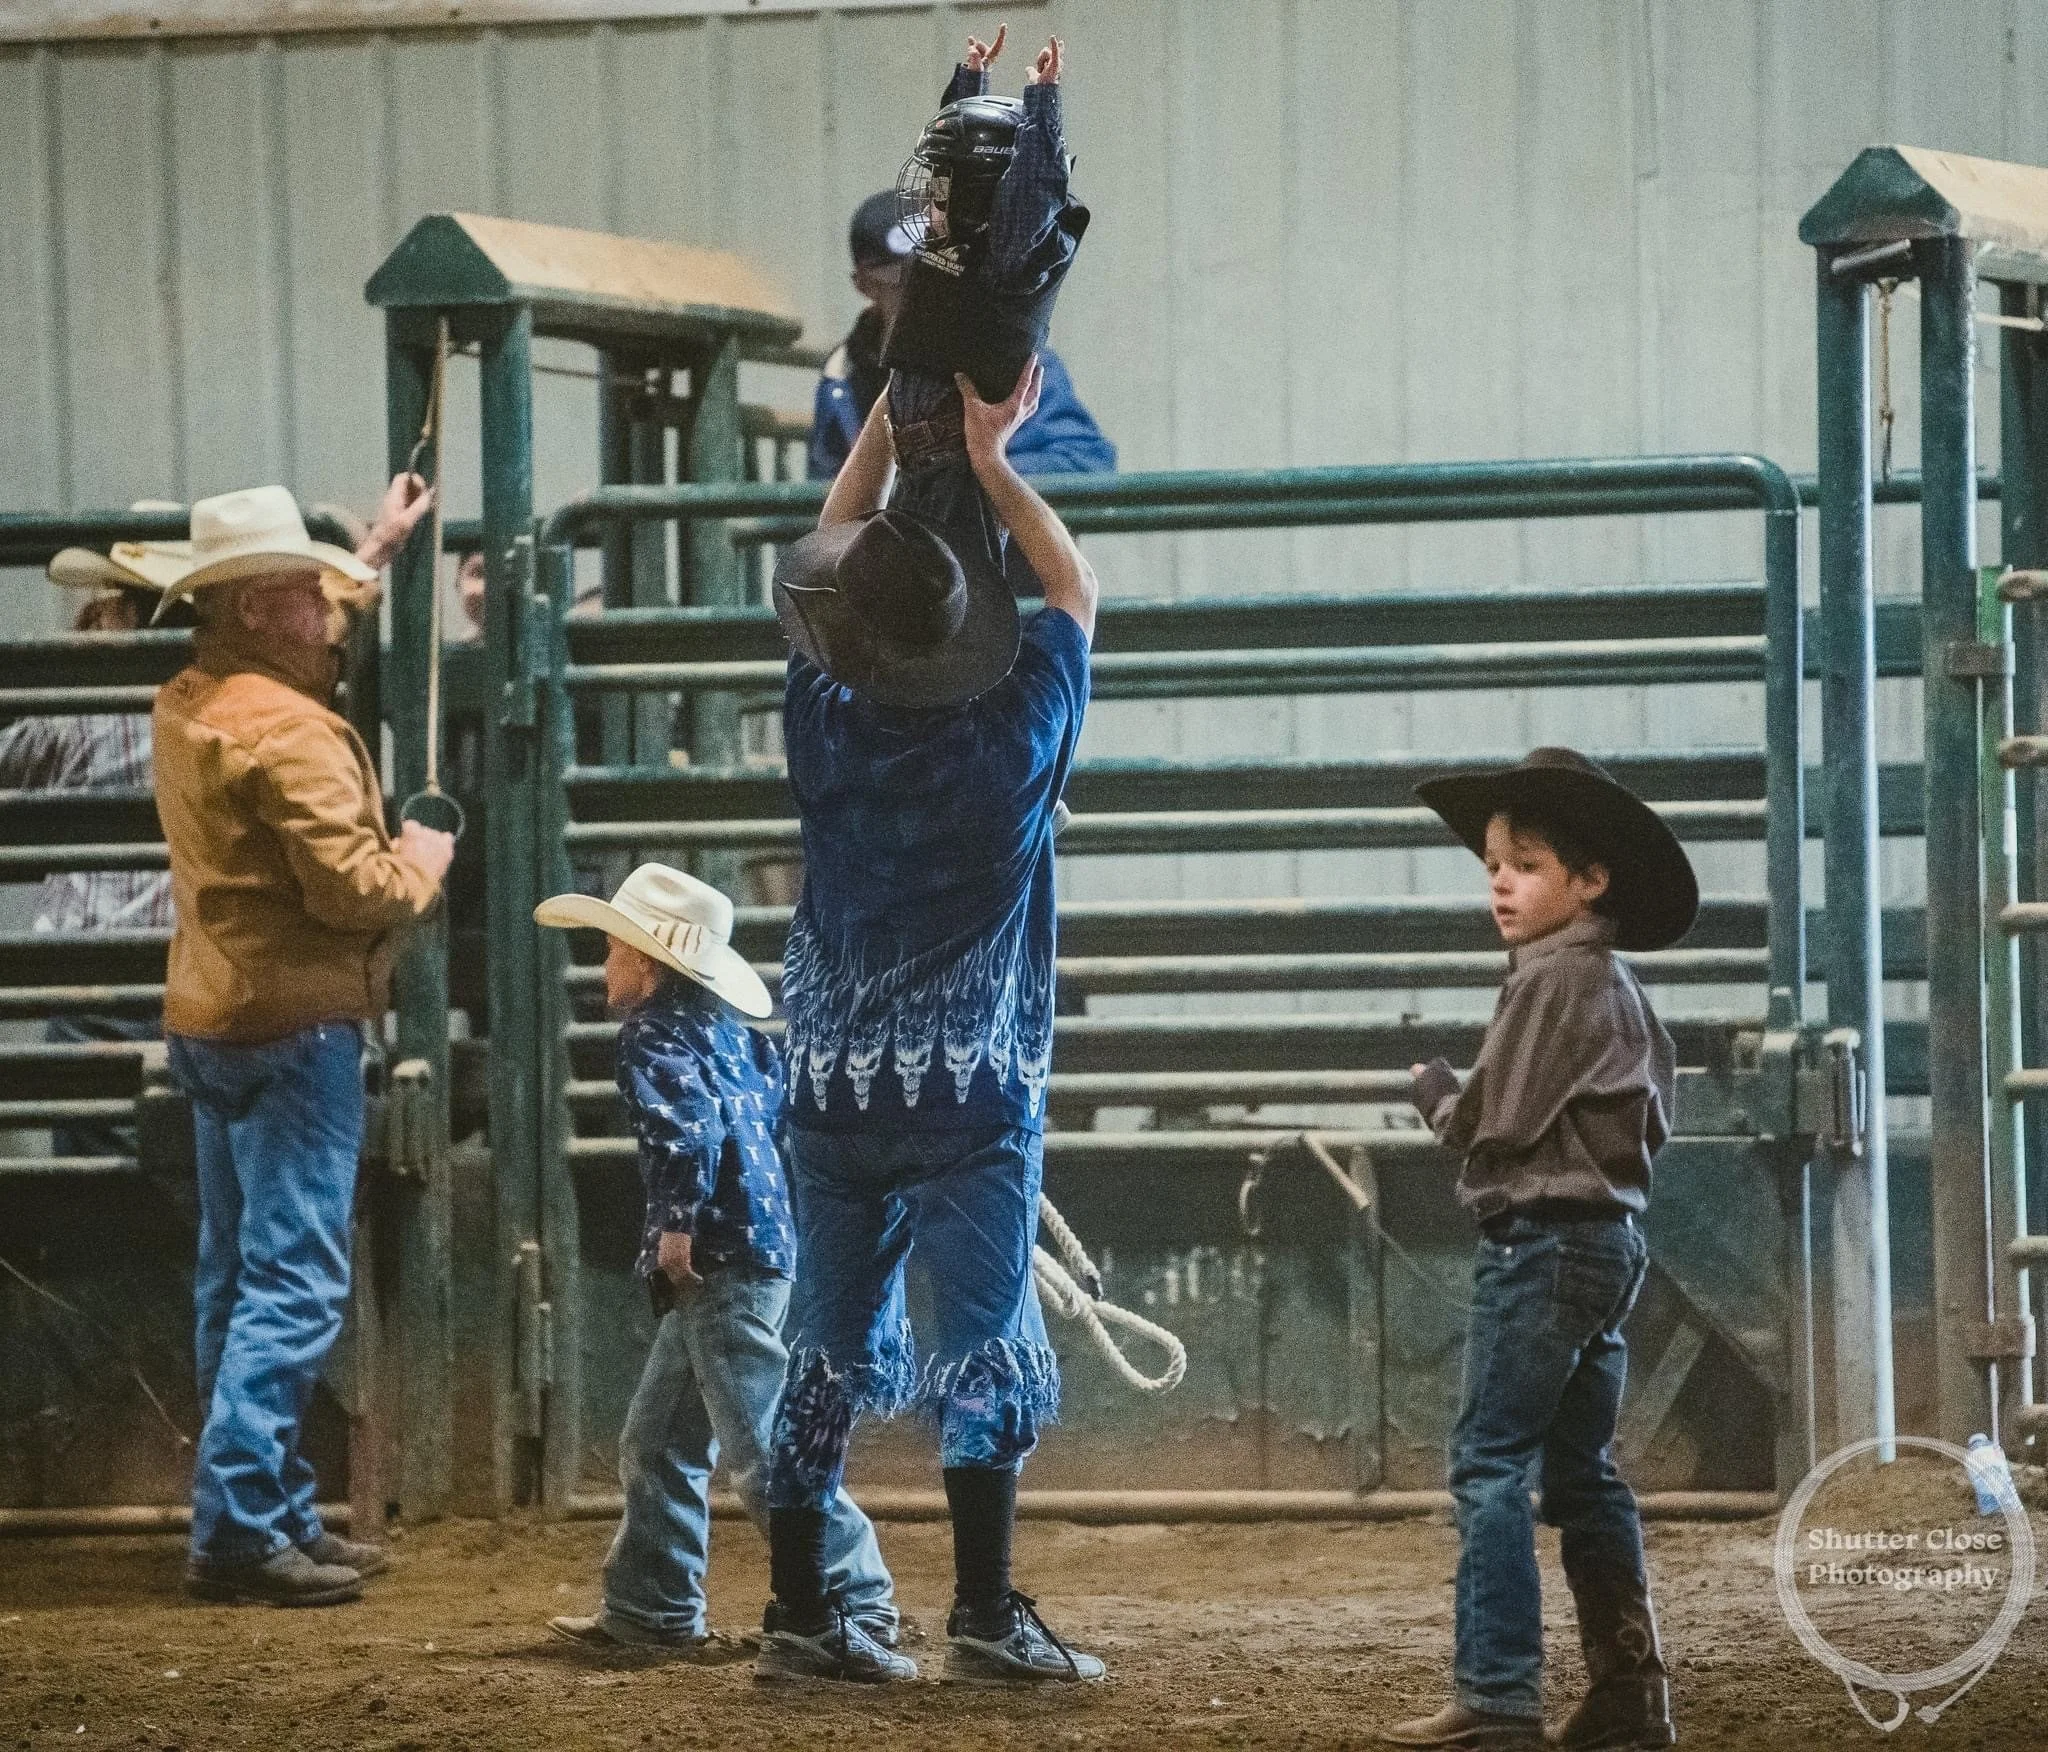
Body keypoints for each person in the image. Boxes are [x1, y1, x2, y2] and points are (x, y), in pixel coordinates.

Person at [755, 356, 1100, 1688]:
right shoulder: (1010, 744)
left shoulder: (820, 719)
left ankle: (799, 1610)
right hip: (967, 1091)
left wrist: (886, 448)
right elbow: (1073, 592)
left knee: (822, 1341)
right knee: (982, 1344)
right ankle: (985, 1613)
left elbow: (824, 559)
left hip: (829, 1085)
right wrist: (993, 457)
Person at [150, 482, 455, 1608]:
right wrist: (422, 860)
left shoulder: (191, 698)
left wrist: (372, 554)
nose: (324, 602)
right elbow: (351, 890)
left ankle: (265, 1504)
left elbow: (310, 623)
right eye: (300, 588)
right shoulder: (292, 735)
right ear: (249, 606)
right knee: (292, 1284)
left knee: (234, 1277)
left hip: (214, 1017)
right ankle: (239, 1524)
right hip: (298, 1031)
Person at [1382, 748, 1692, 1751]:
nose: (1501, 886)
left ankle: (1497, 1693)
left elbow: (1494, 1125)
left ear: (1589, 879)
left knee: (1487, 1462)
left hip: (1541, 1247)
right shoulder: (1618, 987)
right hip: (1608, 1246)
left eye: (1525, 865)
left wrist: (1436, 1094)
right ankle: (1629, 1691)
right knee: (1582, 1473)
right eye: (1492, 867)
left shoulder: (1549, 980)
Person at [536, 862, 898, 1655]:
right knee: (661, 1441)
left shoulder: (653, 1038)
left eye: (613, 950)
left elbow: (684, 1131)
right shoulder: (739, 1039)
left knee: (762, 1446)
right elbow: (775, 1125)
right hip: (759, 1253)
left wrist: (675, 1229)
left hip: (715, 1261)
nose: (605, 965)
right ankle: (651, 1607)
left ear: (647, 962)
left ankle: (854, 1596)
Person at [878, 30, 1095, 597]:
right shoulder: (954, 246)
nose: (931, 199)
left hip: (958, 470)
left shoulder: (1011, 259)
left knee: (946, 603)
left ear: (980, 195)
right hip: (917, 461)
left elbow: (1030, 194)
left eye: (947, 186)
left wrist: (1043, 102)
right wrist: (970, 84)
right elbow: (967, 147)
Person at [4, 523, 195, 1157]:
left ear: (122, 612)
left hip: (88, 983)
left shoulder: (79, 708)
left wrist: (65, 666)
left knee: (87, 1164)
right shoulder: (225, 707)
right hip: (193, 978)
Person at [807, 187, 1115, 486]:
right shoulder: (843, 372)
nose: (928, 293)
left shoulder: (1015, 356)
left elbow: (1085, 463)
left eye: (943, 274)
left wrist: (974, 478)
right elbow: (823, 491)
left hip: (988, 521)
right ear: (864, 285)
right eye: (905, 279)